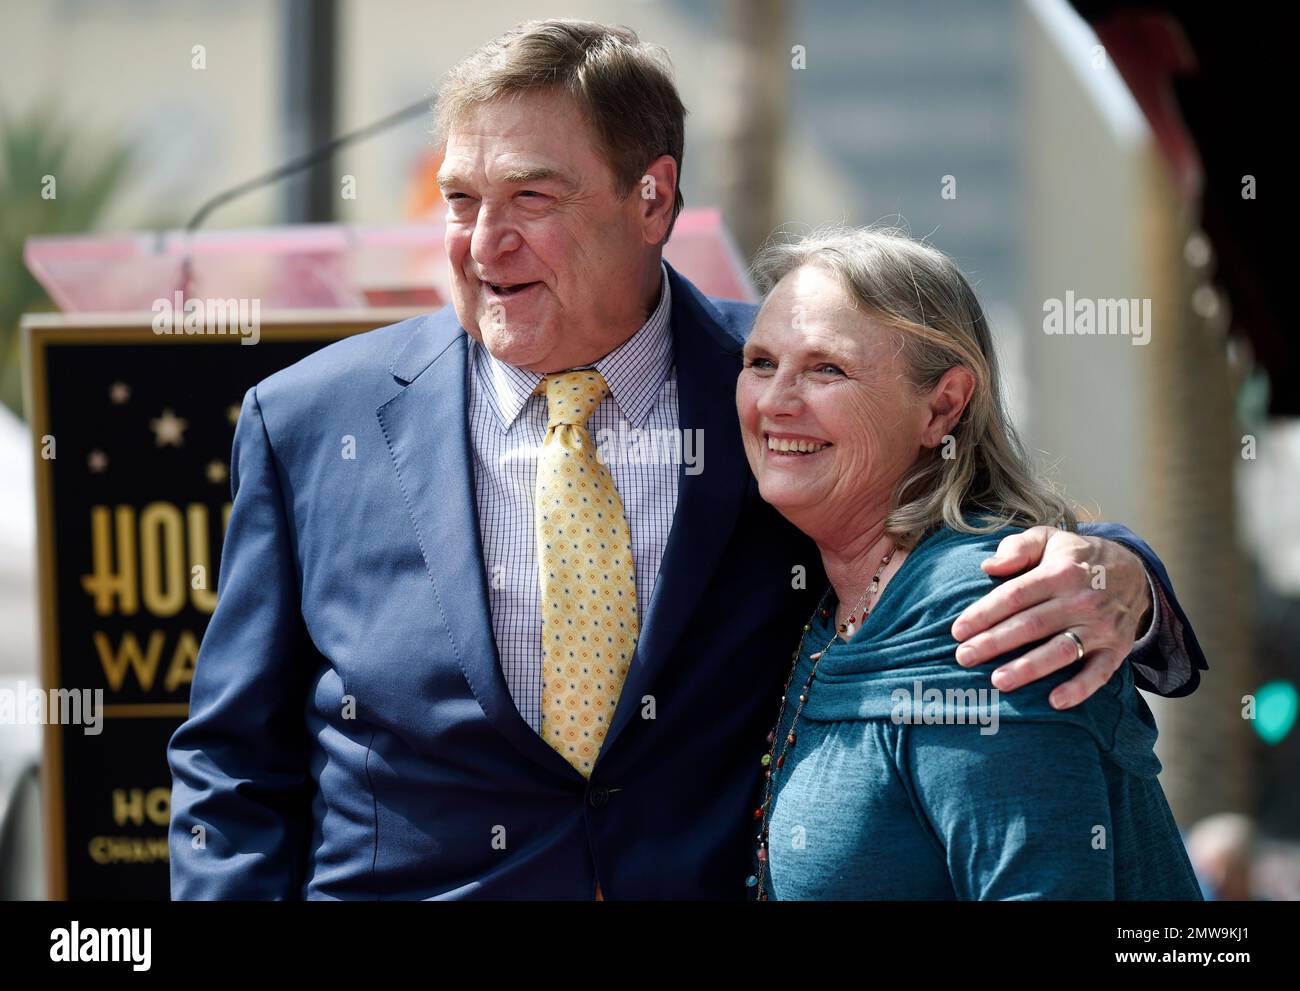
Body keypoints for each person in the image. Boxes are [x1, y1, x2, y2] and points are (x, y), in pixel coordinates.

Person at [168, 19, 1205, 900]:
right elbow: (231, 764)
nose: (484, 244)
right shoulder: (311, 423)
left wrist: (1126, 574)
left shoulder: (776, 397)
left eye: (532, 198)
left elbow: (963, 520)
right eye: (461, 200)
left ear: (652, 199)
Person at [741, 226, 1202, 899]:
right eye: (760, 362)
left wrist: (1125, 571)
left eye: (827, 368)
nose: (774, 401)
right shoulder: (832, 598)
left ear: (943, 407)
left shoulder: (987, 611)